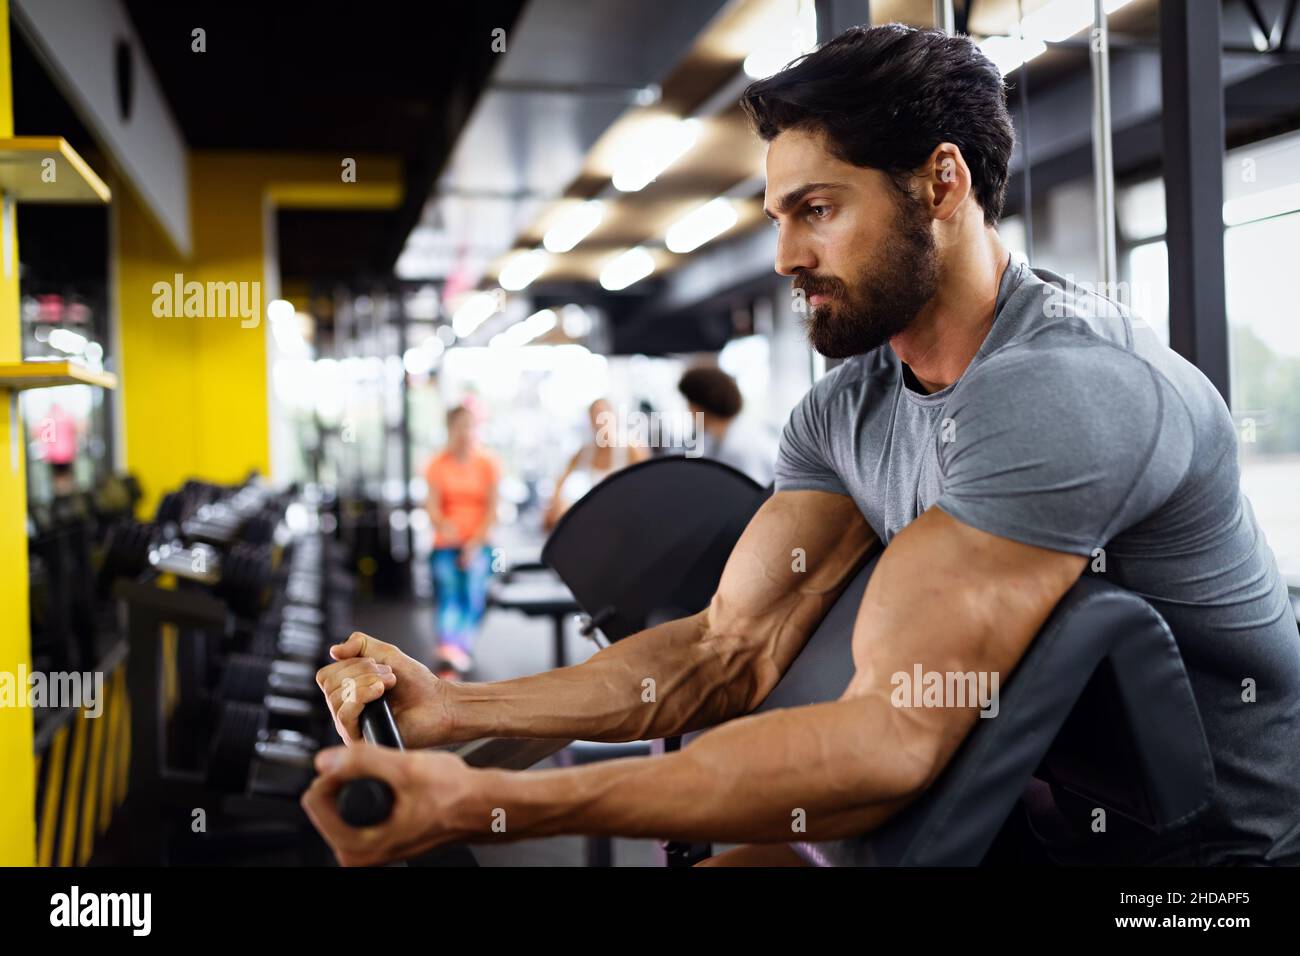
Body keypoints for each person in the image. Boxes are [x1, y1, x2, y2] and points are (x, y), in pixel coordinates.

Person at [305, 25, 1299, 867]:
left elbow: (887, 741)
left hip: (1207, 863)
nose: (784, 254)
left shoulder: (1063, 393)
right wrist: (456, 707)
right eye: (778, 216)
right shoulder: (846, 408)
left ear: (939, 185)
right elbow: (724, 645)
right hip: (1029, 811)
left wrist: (492, 803)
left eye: (816, 209)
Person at [423, 405, 499, 678]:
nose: (465, 432)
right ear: (450, 429)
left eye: (470, 426)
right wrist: (444, 526)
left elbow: (492, 510)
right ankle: (451, 651)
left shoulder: (488, 464)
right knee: (450, 595)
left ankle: (458, 648)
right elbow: (431, 507)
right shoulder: (437, 465)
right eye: (460, 426)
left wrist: (474, 543)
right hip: (446, 544)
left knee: (474, 593)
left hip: (478, 542)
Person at [542, 398, 649, 532]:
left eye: (603, 417)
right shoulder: (586, 451)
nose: (600, 423)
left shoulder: (631, 448)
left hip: (625, 512)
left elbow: (647, 484)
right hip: (596, 511)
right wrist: (555, 503)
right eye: (595, 417)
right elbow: (560, 480)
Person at [677, 365, 779, 487]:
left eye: (690, 404)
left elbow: (753, 493)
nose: (689, 411)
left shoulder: (742, 445)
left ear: (700, 406)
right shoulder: (714, 438)